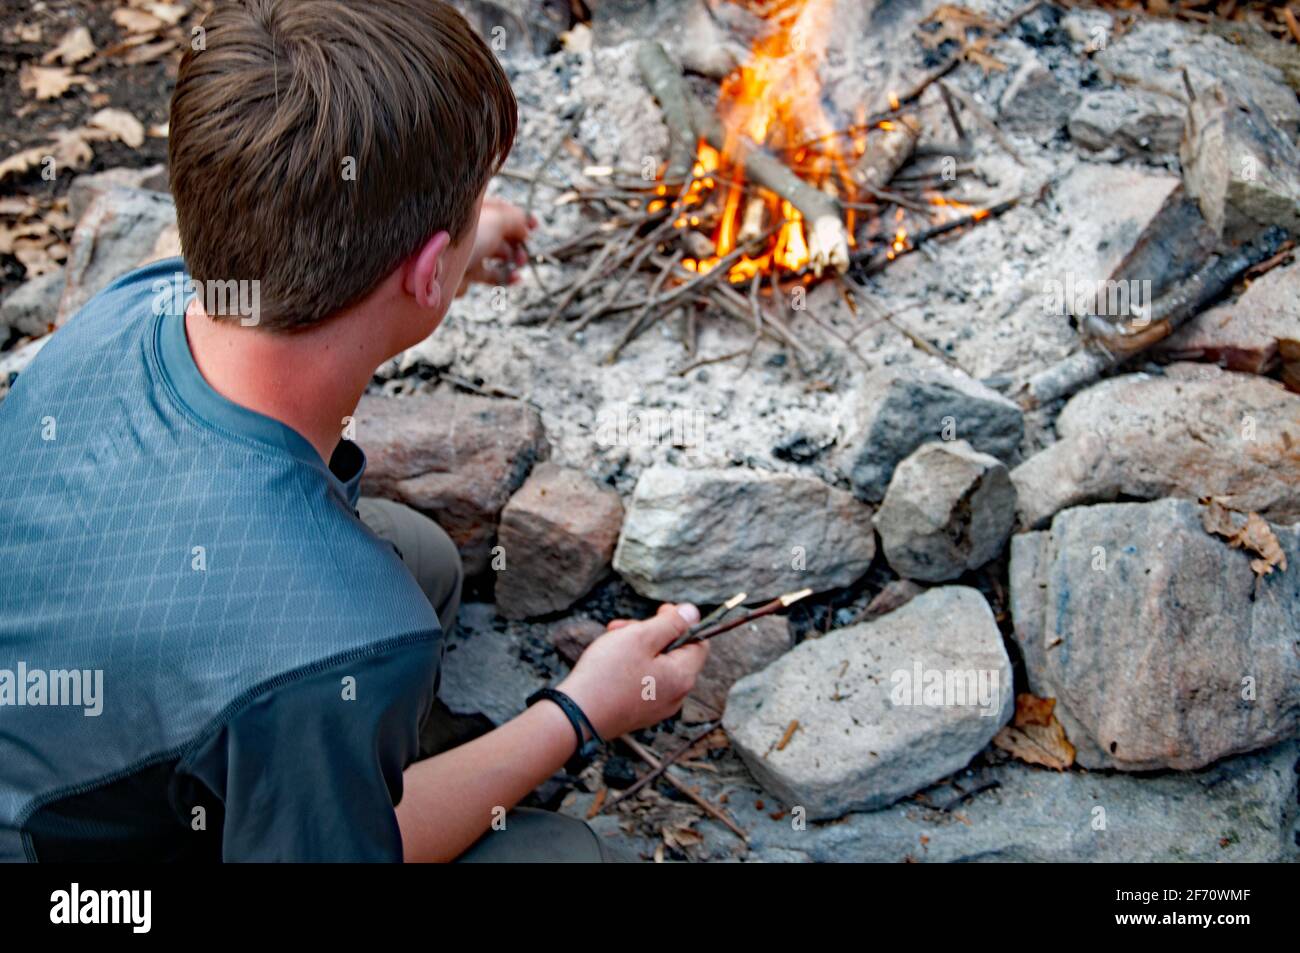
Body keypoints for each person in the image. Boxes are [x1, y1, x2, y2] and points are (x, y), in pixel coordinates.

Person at [0, 0, 708, 863]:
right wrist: (577, 710)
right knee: (556, 851)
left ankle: (330, 753)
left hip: (82, 717)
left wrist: (444, 249)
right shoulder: (331, 631)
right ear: (420, 272)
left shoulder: (135, 303)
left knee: (423, 561)